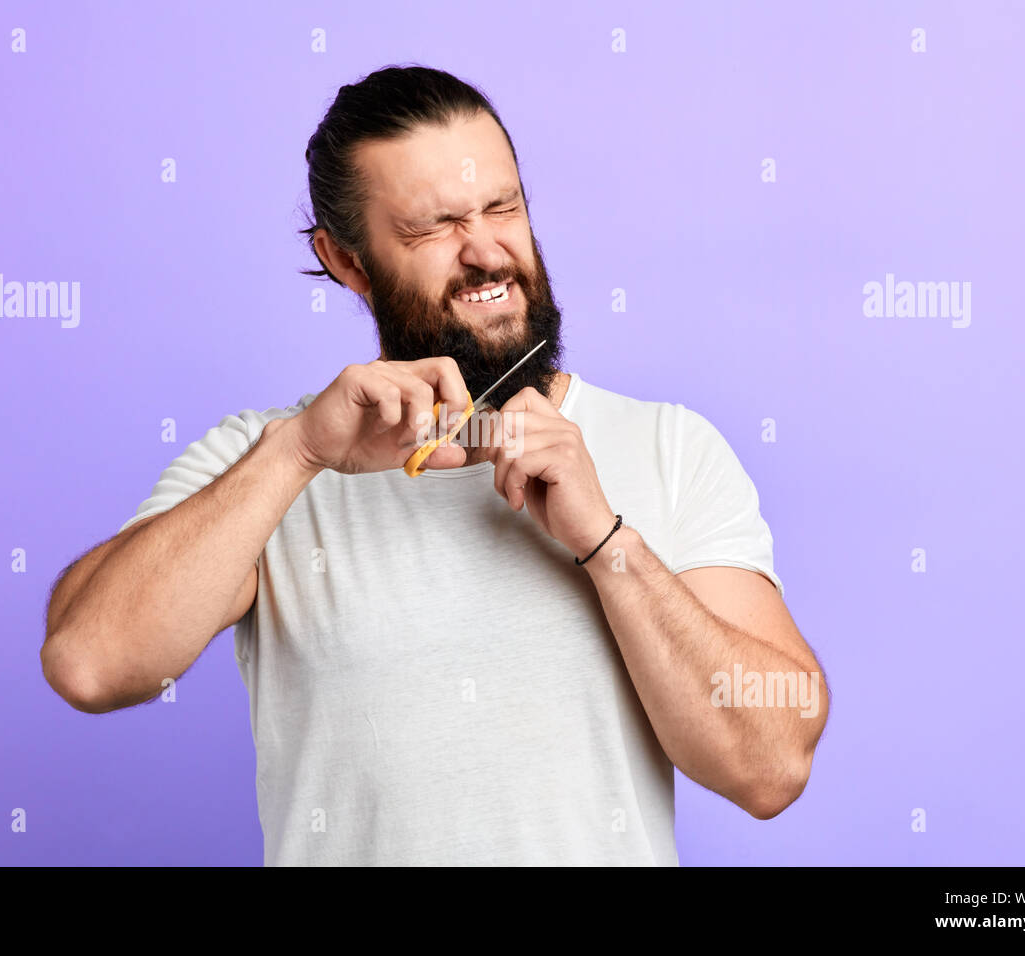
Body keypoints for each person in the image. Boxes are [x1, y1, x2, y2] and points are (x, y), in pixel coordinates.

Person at [41, 64, 829, 866]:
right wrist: (299, 454)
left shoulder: (668, 447)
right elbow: (87, 663)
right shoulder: (271, 463)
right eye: (432, 227)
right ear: (345, 261)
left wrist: (606, 541)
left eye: (503, 206)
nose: (487, 251)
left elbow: (770, 767)